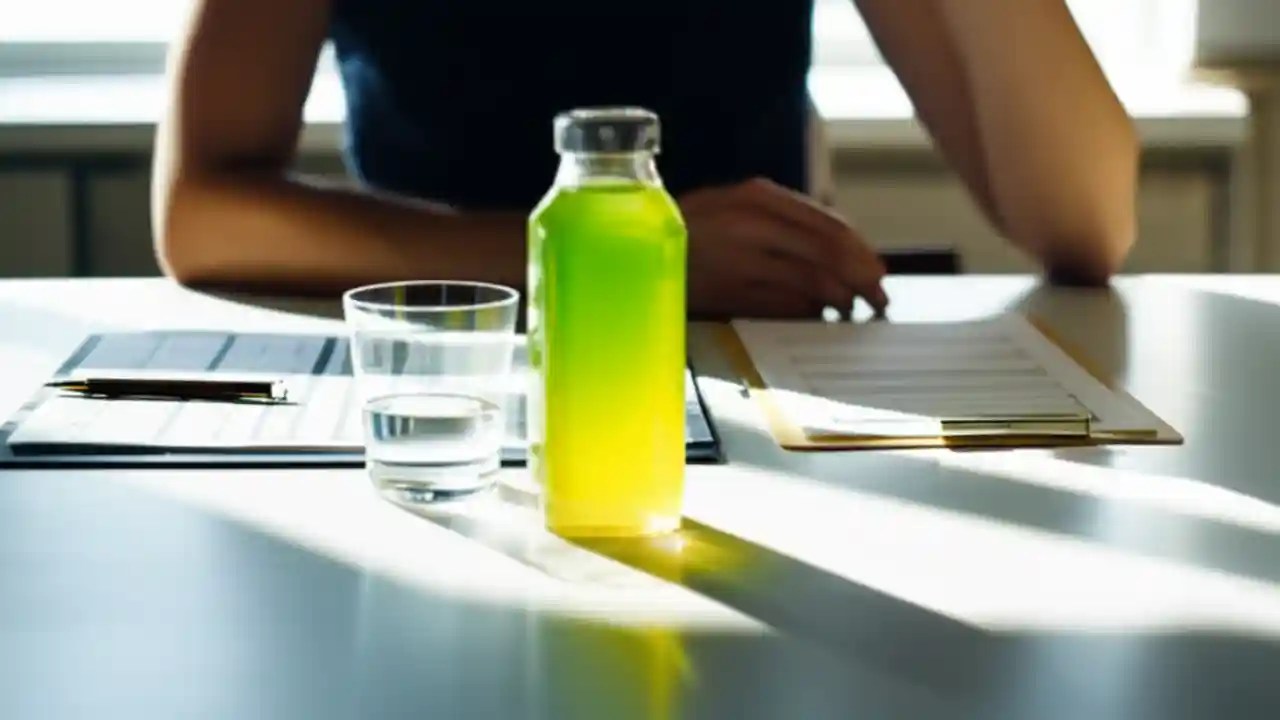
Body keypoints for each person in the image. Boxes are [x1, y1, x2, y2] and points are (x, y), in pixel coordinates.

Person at [153, 0, 1138, 318]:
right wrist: (610, 257)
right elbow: (199, 213)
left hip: (757, 391)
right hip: (456, 370)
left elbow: (1086, 220)